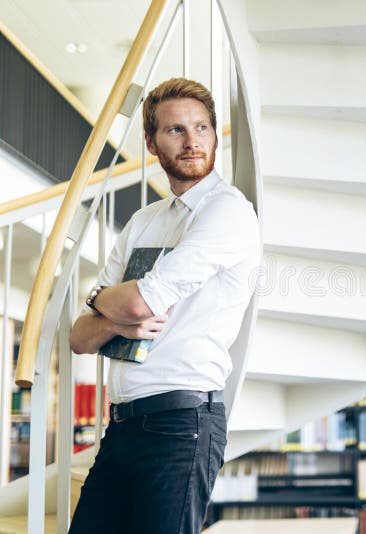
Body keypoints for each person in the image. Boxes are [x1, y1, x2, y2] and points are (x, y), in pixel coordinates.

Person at [68, 77, 261, 534]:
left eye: (202, 128)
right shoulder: (142, 222)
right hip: (123, 426)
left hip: (182, 424)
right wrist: (111, 312)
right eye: (176, 130)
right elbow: (79, 337)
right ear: (152, 143)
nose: (192, 141)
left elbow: (140, 303)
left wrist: (102, 305)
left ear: (215, 135)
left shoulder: (227, 211)